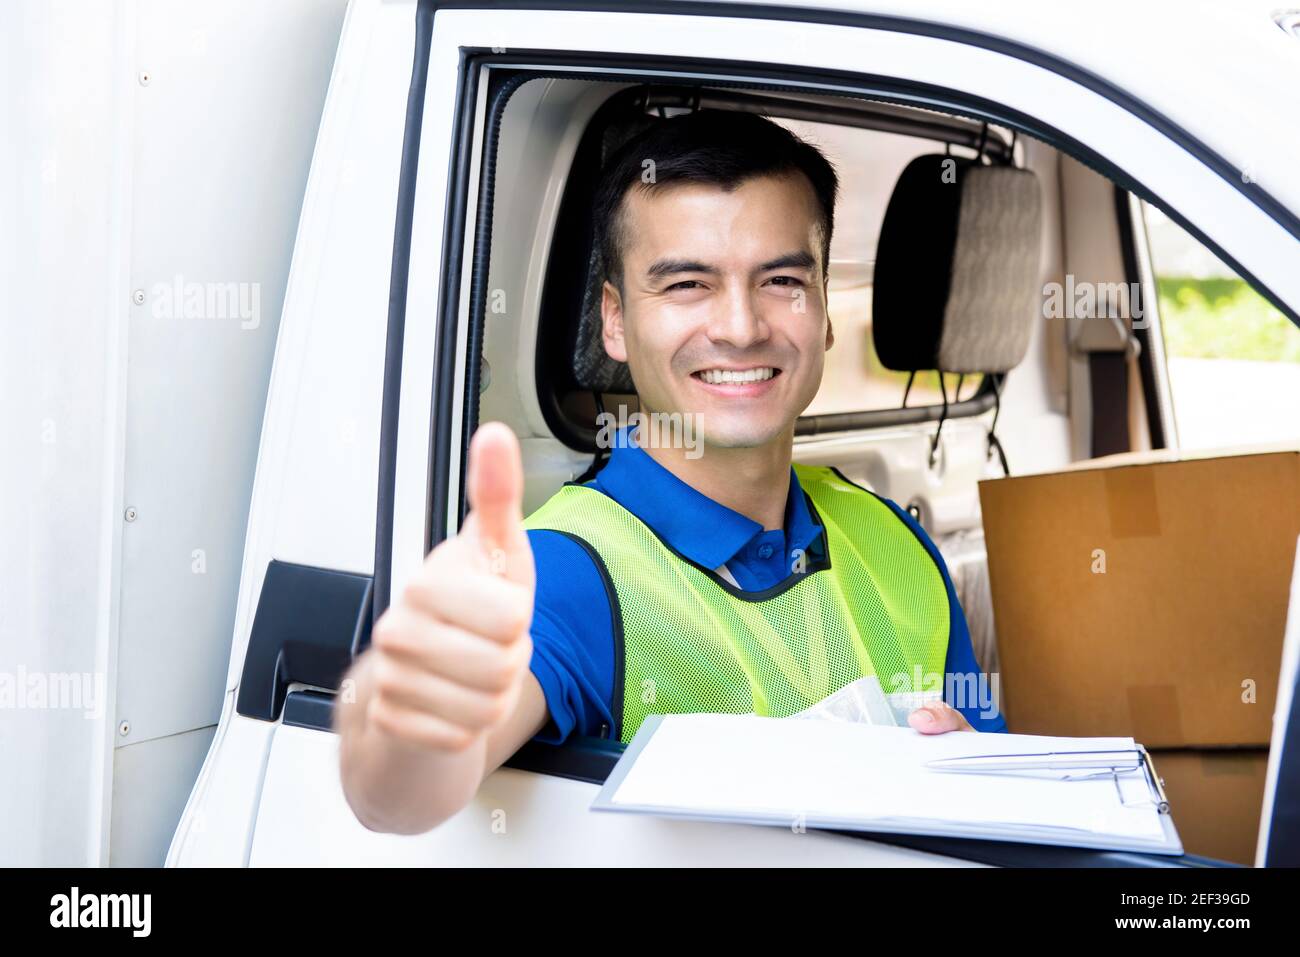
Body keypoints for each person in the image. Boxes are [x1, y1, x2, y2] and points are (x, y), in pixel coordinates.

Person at [336, 111, 1004, 834]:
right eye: (688, 284)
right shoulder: (564, 571)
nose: (741, 327)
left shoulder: (899, 543)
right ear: (615, 321)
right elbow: (400, 794)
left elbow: (997, 805)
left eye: (781, 279)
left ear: (824, 311)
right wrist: (410, 708)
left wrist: (975, 793)